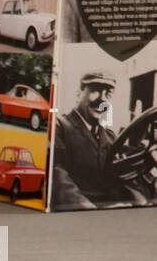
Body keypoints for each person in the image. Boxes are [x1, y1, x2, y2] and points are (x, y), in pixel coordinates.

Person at [52, 71, 134, 209]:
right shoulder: (59, 127)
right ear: (78, 94)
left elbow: (122, 170)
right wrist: (87, 209)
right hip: (79, 212)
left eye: (107, 94)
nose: (102, 100)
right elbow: (57, 175)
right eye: (95, 91)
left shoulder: (110, 136)